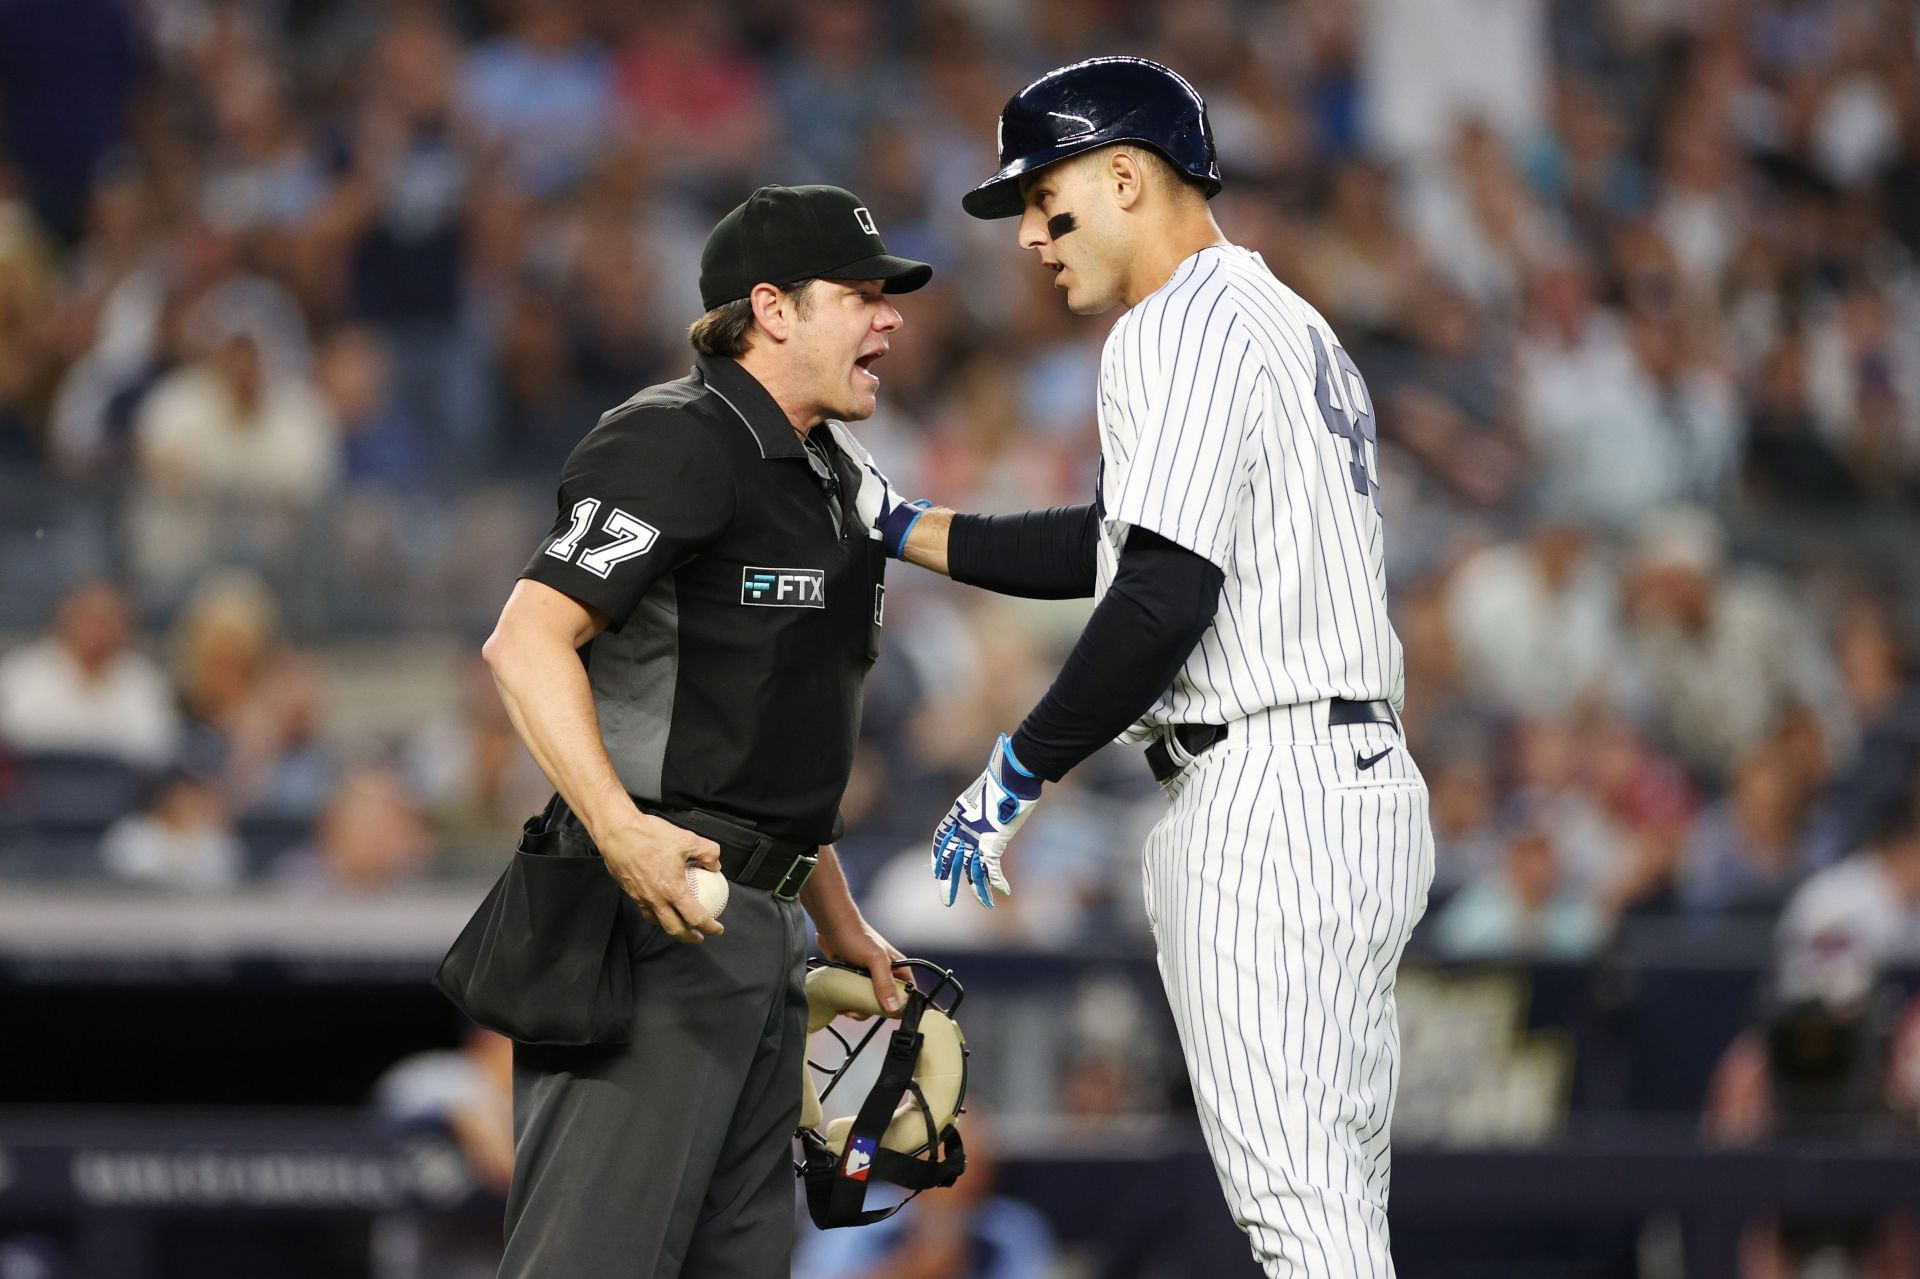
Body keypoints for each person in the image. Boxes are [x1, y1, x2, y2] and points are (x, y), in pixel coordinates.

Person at [849, 58, 1435, 1277]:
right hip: (1347, 782)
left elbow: (1162, 596)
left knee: (1302, 1213)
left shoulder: (1173, 326)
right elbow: (1115, 545)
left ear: (1125, 176)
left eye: (1044, 198)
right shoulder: (1282, 318)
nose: (1029, 235)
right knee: (1335, 1208)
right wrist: (903, 525)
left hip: (1268, 795)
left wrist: (1012, 778)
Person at [477, 183, 927, 1279]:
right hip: (651, 910)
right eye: (860, 295)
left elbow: (761, 736)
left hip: (763, 924)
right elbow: (524, 641)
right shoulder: (675, 437)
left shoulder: (829, 471)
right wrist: (620, 831)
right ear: (771, 308)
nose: (890, 318)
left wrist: (838, 918)